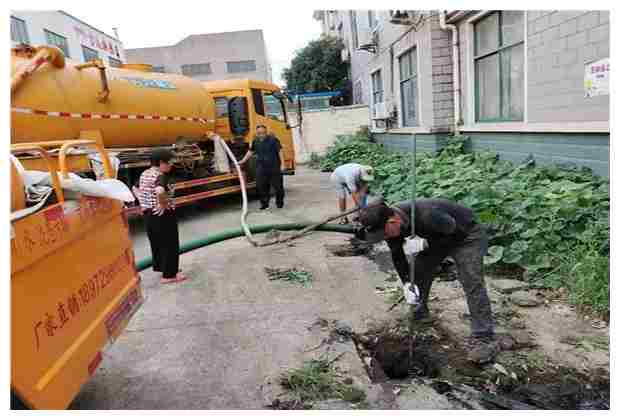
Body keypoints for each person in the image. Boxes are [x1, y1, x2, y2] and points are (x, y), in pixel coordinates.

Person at [357, 198, 497, 361]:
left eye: (386, 233)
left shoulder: (428, 215)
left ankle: (483, 337)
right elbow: (397, 256)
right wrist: (407, 284)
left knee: (472, 281)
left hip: (466, 235)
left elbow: (455, 234)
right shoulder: (389, 225)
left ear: (393, 220)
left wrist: (425, 245)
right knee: (418, 272)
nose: (385, 237)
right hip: (435, 237)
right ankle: (420, 312)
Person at [133, 149, 187, 284]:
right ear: (161, 163)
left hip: (149, 214)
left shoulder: (145, 173)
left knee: (158, 243)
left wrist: (144, 202)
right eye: (170, 162)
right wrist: (162, 203)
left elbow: (135, 188)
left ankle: (164, 268)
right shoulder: (160, 176)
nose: (171, 165)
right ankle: (169, 275)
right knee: (170, 243)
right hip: (162, 215)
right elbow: (160, 190)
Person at [239, 125, 285, 210]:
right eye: (259, 133)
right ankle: (264, 204)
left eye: (263, 133)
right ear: (257, 133)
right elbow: (250, 151)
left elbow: (280, 151)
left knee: (278, 187)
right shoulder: (255, 141)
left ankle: (279, 202)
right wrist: (243, 161)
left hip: (274, 166)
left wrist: (282, 164)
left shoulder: (273, 140)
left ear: (266, 132)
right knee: (261, 186)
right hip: (261, 167)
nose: (261, 135)